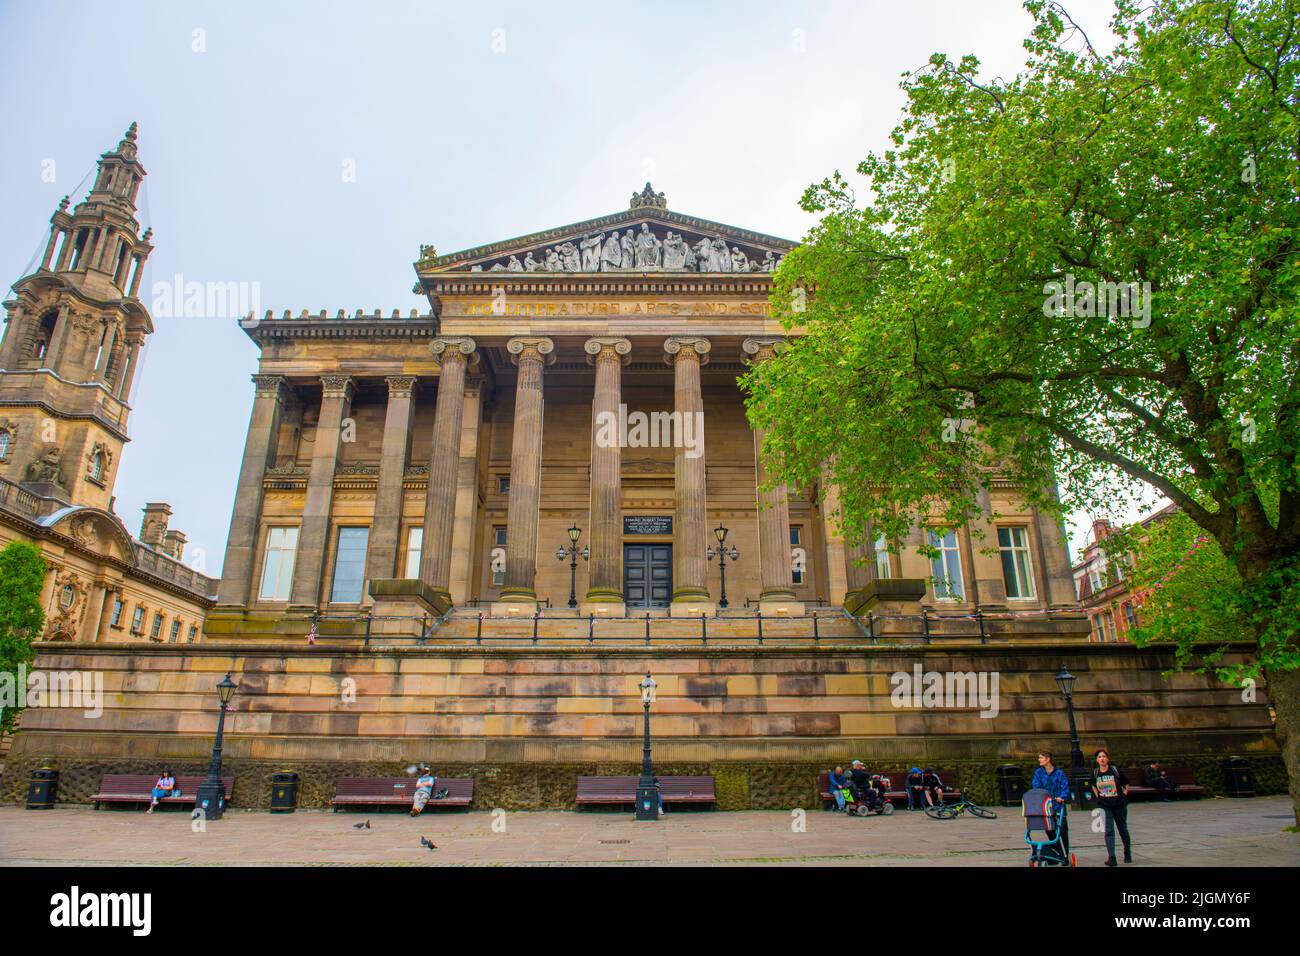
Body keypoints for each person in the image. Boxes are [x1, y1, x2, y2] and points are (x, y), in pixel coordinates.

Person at [1092, 749, 1132, 866]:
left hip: (1119, 805)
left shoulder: (1114, 770)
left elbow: (1126, 783)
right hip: (1105, 805)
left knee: (1123, 830)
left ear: (1107, 758)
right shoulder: (1095, 772)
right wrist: (1098, 797)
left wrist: (1124, 794)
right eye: (1099, 757)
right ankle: (1112, 857)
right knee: (1109, 831)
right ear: (1097, 760)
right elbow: (1093, 785)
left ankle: (1127, 853)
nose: (1102, 759)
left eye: (1104, 756)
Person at [1031, 750, 1072, 859]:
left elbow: (1065, 786)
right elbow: (1036, 786)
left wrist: (1062, 797)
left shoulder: (1059, 773)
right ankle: (1057, 851)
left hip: (1058, 806)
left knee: (1062, 830)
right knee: (1049, 830)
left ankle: (1065, 853)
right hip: (1045, 806)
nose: (1039, 760)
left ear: (1048, 759)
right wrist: (1042, 795)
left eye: (1041, 758)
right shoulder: (1038, 772)